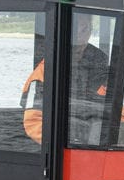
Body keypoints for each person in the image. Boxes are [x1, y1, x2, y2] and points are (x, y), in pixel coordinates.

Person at [21, 14, 110, 142]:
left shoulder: (101, 67)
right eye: (75, 29)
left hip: (95, 144)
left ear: (91, 31)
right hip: (60, 144)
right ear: (67, 31)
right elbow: (33, 122)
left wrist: (109, 137)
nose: (80, 35)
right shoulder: (45, 71)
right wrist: (67, 143)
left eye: (85, 29)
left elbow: (118, 111)